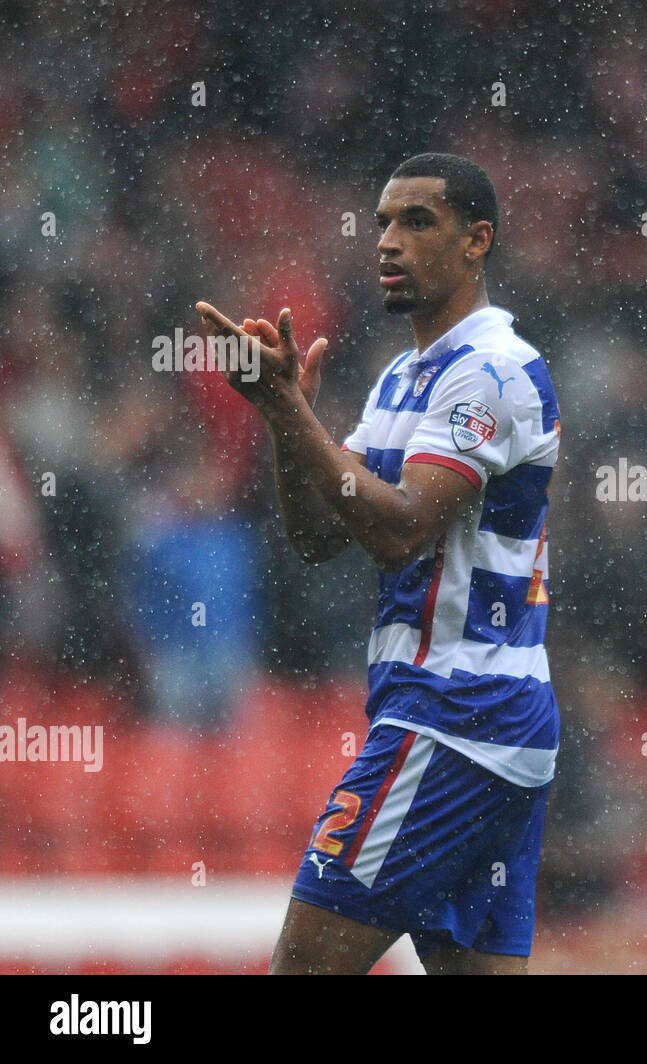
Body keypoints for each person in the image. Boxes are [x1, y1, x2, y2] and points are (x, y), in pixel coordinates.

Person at [197, 153, 560, 975]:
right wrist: (284, 417)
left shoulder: (492, 371)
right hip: (481, 724)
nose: (389, 242)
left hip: (456, 715)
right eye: (383, 223)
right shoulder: (405, 377)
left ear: (478, 242)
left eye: (417, 222)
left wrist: (294, 410)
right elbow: (323, 536)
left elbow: (400, 531)